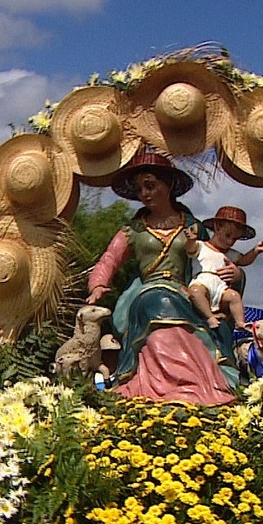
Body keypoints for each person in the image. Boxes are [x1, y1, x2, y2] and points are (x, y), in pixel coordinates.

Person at [86, 151, 238, 405]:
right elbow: (109, 260)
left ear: (168, 186)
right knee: (159, 301)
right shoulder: (133, 230)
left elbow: (216, 257)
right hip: (146, 293)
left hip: (188, 293)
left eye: (150, 185)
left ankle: (194, 385)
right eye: (139, 189)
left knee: (185, 311)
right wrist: (98, 285)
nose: (144, 193)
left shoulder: (192, 227)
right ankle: (164, 385)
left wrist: (236, 273)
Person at [184, 205, 263, 331]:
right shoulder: (202, 246)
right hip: (202, 282)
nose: (230, 241)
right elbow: (190, 249)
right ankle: (209, 317)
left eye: (234, 239)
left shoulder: (229, 254)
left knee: (234, 296)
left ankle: (240, 323)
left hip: (220, 287)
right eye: (227, 235)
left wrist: (256, 251)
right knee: (196, 293)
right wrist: (191, 240)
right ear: (217, 228)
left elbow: (244, 260)